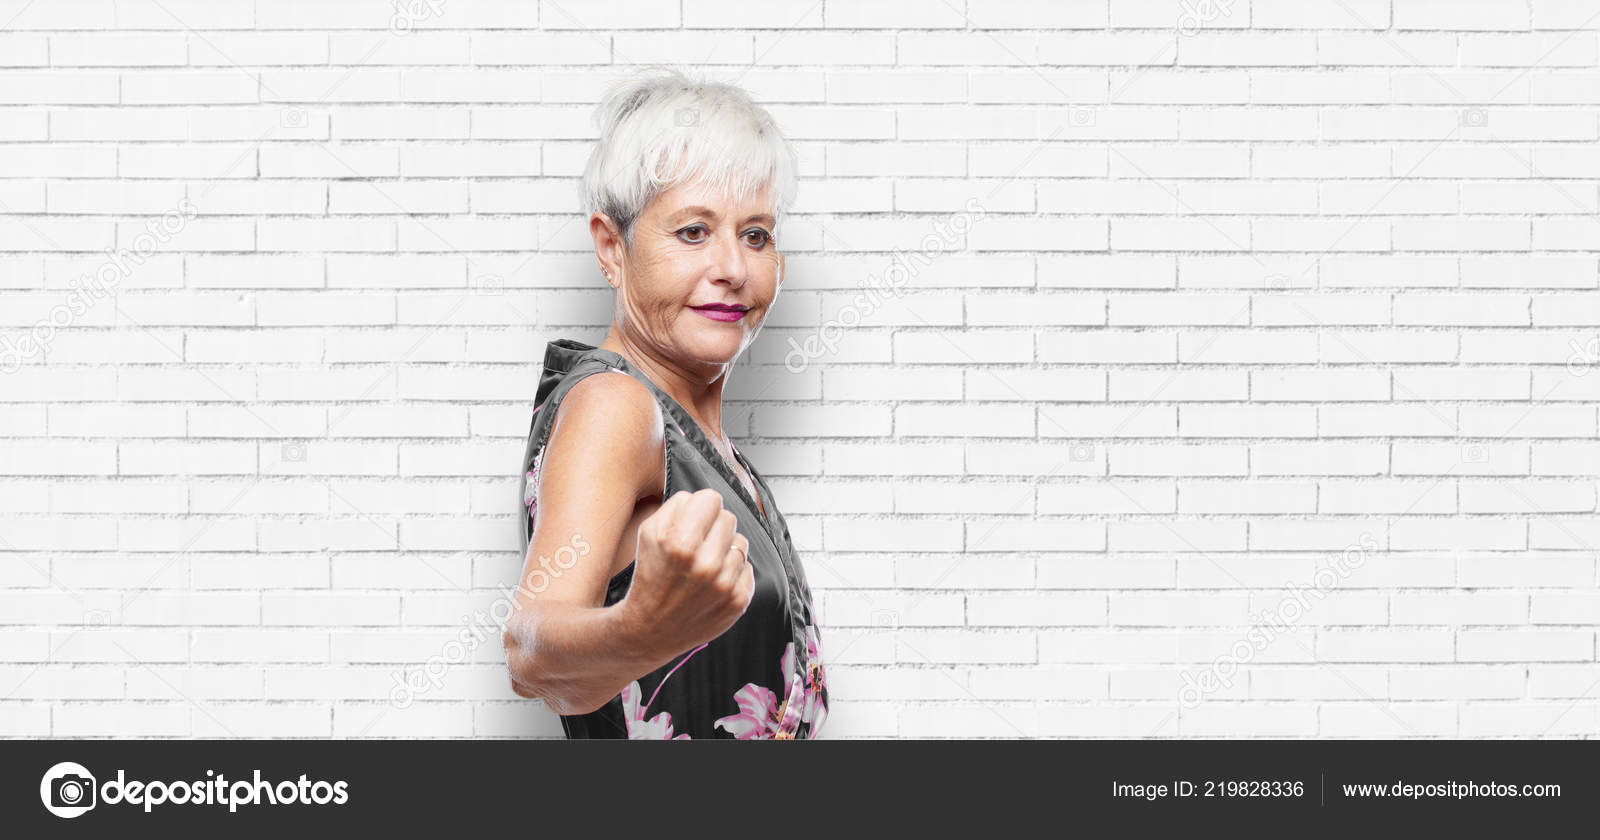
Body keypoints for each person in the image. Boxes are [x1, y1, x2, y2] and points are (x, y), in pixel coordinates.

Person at [502, 68, 827, 739]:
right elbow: (531, 648)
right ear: (611, 248)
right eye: (693, 232)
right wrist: (641, 627)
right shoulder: (616, 406)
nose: (733, 268)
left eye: (756, 235)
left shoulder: (710, 447)